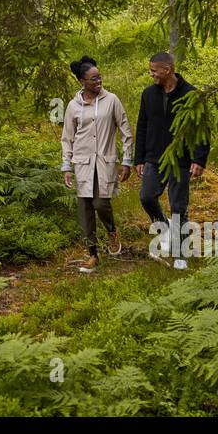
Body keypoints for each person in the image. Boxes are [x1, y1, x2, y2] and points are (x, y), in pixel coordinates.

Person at [129, 52, 210, 270]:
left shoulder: (191, 94)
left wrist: (199, 159)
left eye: (154, 70)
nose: (151, 74)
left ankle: (180, 254)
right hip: (154, 159)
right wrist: (140, 159)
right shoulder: (148, 94)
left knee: (178, 207)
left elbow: (201, 129)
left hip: (181, 160)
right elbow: (142, 126)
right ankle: (163, 228)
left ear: (167, 70)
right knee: (146, 197)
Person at [61, 56, 133, 273]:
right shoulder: (73, 106)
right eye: (93, 79)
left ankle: (112, 232)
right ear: (82, 81)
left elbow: (126, 131)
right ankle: (92, 254)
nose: (98, 81)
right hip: (82, 163)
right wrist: (66, 166)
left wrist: (127, 161)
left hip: (105, 161)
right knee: (85, 209)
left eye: (99, 77)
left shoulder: (112, 100)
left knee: (101, 204)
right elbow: (67, 138)